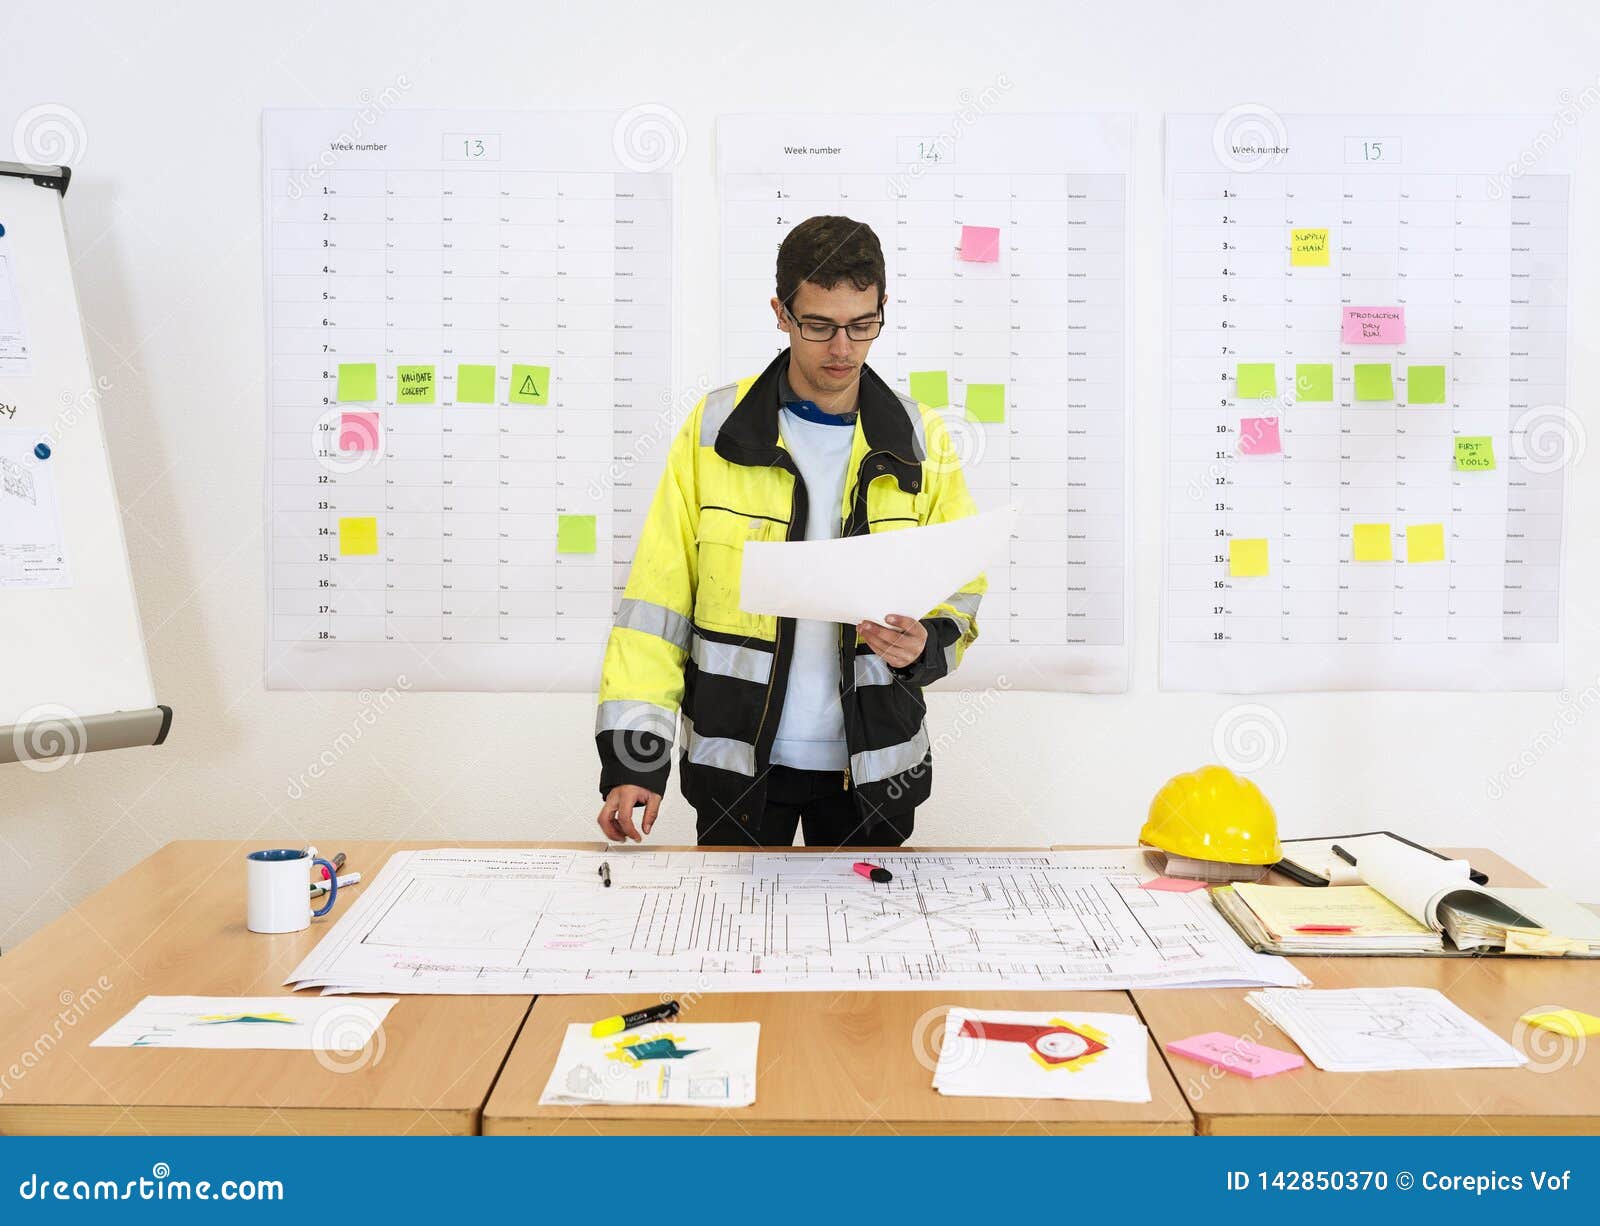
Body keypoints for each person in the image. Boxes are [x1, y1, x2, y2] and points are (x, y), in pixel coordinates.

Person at [593, 215, 984, 847]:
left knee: (868, 946)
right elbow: (656, 603)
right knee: (732, 946)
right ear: (781, 312)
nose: (842, 349)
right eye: (819, 326)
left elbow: (961, 587)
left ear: (883, 309)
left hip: (874, 773)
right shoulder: (714, 431)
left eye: (862, 326)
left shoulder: (920, 439)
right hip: (738, 770)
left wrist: (927, 643)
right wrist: (636, 756)